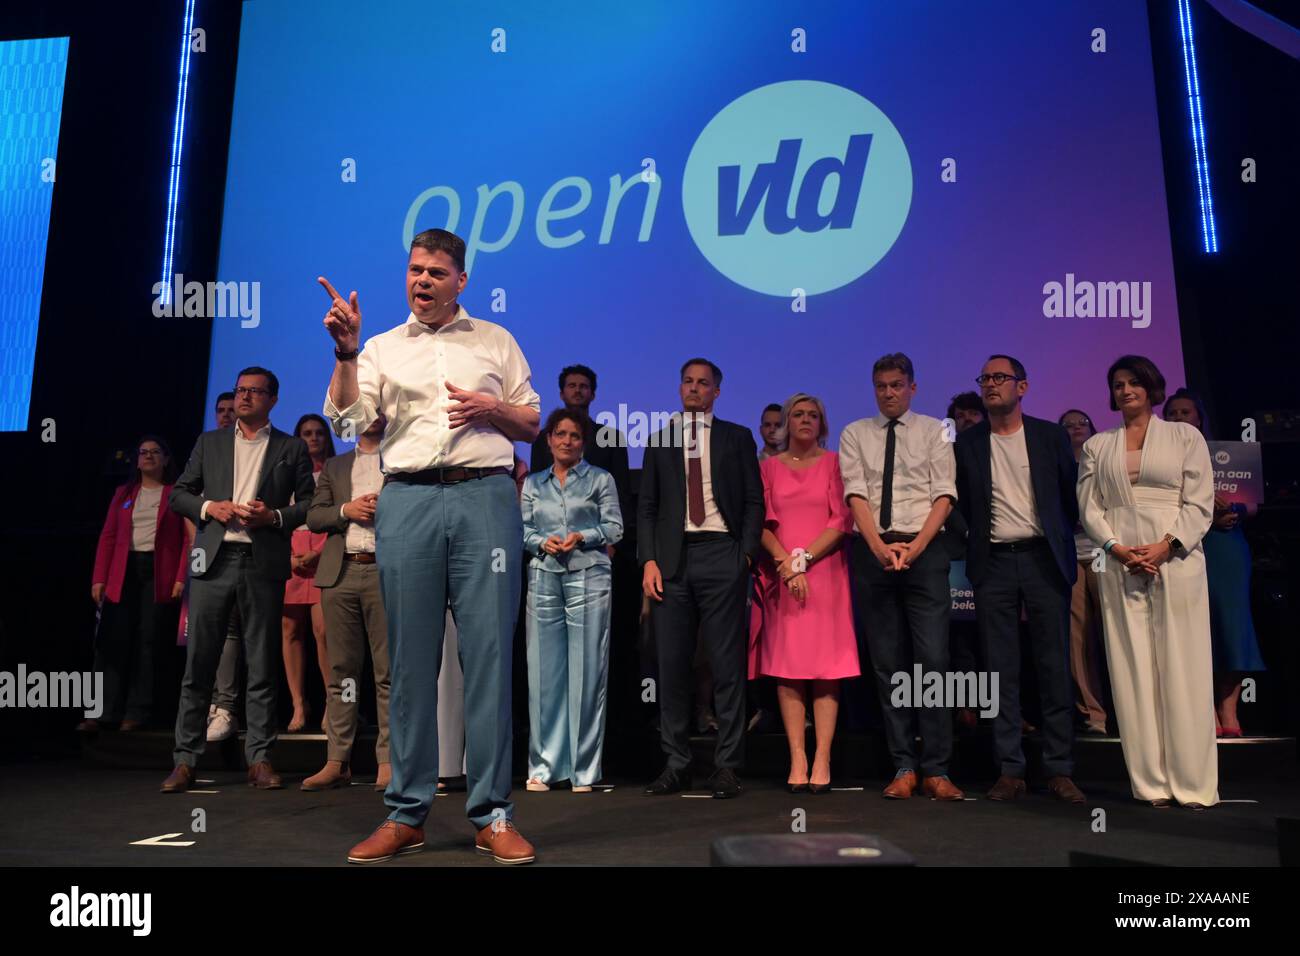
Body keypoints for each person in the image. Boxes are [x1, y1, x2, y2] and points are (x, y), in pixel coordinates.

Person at [323, 227, 540, 864]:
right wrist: (345, 354)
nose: (422, 281)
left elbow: (531, 421)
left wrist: (490, 409)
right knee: (411, 664)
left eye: (436, 273)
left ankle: (493, 814)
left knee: (489, 659)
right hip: (410, 500)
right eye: (415, 270)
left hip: (485, 499)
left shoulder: (496, 339)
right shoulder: (381, 347)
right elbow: (347, 423)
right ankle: (406, 814)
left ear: (461, 281)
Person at [163, 367, 315, 793]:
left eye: (254, 392)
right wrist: (211, 507)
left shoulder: (290, 447)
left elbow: (309, 503)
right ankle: (184, 761)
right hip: (213, 561)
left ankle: (260, 759)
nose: (244, 398)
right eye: (240, 391)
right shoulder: (209, 443)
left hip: (260, 561)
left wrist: (275, 516)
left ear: (272, 399)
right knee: (199, 665)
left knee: (262, 664)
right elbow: (179, 494)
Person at [1077, 356, 1217, 809]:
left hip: (1175, 560)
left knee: (1183, 664)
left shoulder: (1184, 436)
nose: (1125, 390)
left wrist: (1166, 545)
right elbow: (1089, 507)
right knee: (1132, 667)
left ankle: (1192, 783)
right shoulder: (1098, 445)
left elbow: (1199, 502)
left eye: (1134, 382)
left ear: (1151, 387)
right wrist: (1117, 547)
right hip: (1121, 563)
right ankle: (1150, 783)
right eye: (1117, 384)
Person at [954, 356, 1085, 803]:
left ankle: (1059, 768)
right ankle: (1010, 769)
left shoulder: (1050, 436)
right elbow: (959, 505)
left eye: (1000, 378)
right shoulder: (968, 443)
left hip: (1043, 559)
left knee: (1052, 664)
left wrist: (1053, 539)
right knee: (999, 669)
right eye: (985, 378)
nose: (991, 385)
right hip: (993, 563)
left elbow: (1070, 500)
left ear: (1022, 387)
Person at [839, 353, 964, 800]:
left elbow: (944, 495)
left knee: (932, 661)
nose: (888, 393)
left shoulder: (935, 431)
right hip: (874, 550)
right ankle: (903, 766)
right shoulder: (855, 432)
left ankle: (938, 768)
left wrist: (915, 547)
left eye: (896, 385)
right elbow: (856, 495)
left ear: (912, 387)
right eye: (881, 386)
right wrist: (877, 548)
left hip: (924, 551)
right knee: (888, 664)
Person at [638, 358, 763, 799]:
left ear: (716, 392)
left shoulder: (737, 438)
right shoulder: (659, 441)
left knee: (728, 667)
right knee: (672, 668)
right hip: (672, 562)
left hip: (721, 554)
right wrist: (649, 562)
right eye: (688, 382)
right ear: (679, 389)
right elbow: (647, 507)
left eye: (703, 383)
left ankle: (728, 765)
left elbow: (753, 500)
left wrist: (744, 555)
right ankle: (676, 764)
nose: (694, 389)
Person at [754, 393, 857, 792]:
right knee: (790, 669)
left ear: (823, 424)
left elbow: (841, 518)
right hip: (782, 574)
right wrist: (786, 562)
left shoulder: (835, 464)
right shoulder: (769, 469)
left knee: (827, 670)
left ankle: (823, 757)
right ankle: (798, 756)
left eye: (813, 415)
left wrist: (803, 560)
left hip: (826, 573)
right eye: (798, 414)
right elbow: (761, 521)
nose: (805, 420)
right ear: (785, 423)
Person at [521, 409, 623, 792]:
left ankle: (583, 770)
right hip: (544, 574)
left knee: (586, 671)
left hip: (589, 575)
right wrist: (538, 541)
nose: (566, 441)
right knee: (544, 674)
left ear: (584, 441)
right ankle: (544, 766)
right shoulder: (533, 483)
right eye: (560, 434)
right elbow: (524, 529)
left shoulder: (601, 479)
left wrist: (581, 536)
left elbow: (615, 527)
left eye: (574, 436)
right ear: (548, 439)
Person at [1162, 388, 1265, 737]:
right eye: (1172, 413)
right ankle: (1203, 709)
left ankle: (1229, 710)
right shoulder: (1159, 459)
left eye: (1185, 413)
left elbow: (1252, 503)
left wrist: (1231, 510)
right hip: (1182, 544)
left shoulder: (1227, 454)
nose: (1179, 419)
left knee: (1231, 626)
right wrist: (1205, 517)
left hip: (1226, 547)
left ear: (1199, 418)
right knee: (1194, 627)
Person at [302, 414, 391, 791]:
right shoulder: (337, 466)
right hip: (341, 574)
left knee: (387, 673)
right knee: (343, 673)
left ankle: (387, 762)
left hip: (384, 574)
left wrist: (384, 509)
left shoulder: (400, 461)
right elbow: (314, 515)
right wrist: (346, 511)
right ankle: (337, 760)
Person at [86, 436, 188, 732]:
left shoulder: (175, 494)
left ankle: (137, 712)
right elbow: (107, 537)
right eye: (143, 453)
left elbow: (187, 540)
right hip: (123, 571)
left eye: (155, 452)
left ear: (166, 459)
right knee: (111, 643)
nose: (148, 457)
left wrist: (182, 576)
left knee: (148, 642)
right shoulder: (123, 493)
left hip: (157, 572)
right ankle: (100, 712)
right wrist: (99, 577)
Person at [282, 413, 334, 732]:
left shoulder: (336, 471)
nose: (313, 438)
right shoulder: (286, 473)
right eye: (306, 433)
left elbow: (342, 518)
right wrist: (287, 556)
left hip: (324, 552)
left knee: (323, 630)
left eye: (318, 433)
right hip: (290, 552)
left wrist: (320, 552)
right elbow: (277, 516)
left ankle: (333, 702)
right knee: (289, 630)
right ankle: (298, 704)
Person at [1059, 408, 1108, 736]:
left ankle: (1125, 709)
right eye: (1068, 425)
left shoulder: (1106, 462)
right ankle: (1092, 714)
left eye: (1082, 423)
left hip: (1107, 552)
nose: (1076, 428)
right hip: (1069, 554)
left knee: (1111, 634)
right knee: (1076, 636)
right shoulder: (1056, 466)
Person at [528, 364, 630, 516]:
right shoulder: (543, 438)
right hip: (553, 527)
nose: (577, 390)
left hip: (600, 527)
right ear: (561, 394)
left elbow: (621, 491)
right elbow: (536, 488)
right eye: (571, 386)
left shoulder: (612, 438)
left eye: (583, 386)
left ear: (593, 394)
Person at [207, 392, 244, 743]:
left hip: (249, 554)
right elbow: (188, 500)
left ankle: (227, 706)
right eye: (220, 411)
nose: (225, 416)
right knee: (208, 634)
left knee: (238, 633)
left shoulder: (255, 451)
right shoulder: (209, 448)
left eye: (230, 411)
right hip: (209, 555)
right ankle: (214, 705)